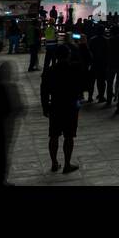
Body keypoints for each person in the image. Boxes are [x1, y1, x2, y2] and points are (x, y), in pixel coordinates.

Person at [40, 44, 82, 173]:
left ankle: (54, 163)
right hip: (70, 106)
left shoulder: (49, 71)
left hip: (56, 105)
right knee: (69, 136)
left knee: (53, 135)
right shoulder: (74, 69)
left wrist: (45, 107)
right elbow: (79, 87)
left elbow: (44, 91)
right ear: (68, 55)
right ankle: (67, 164)